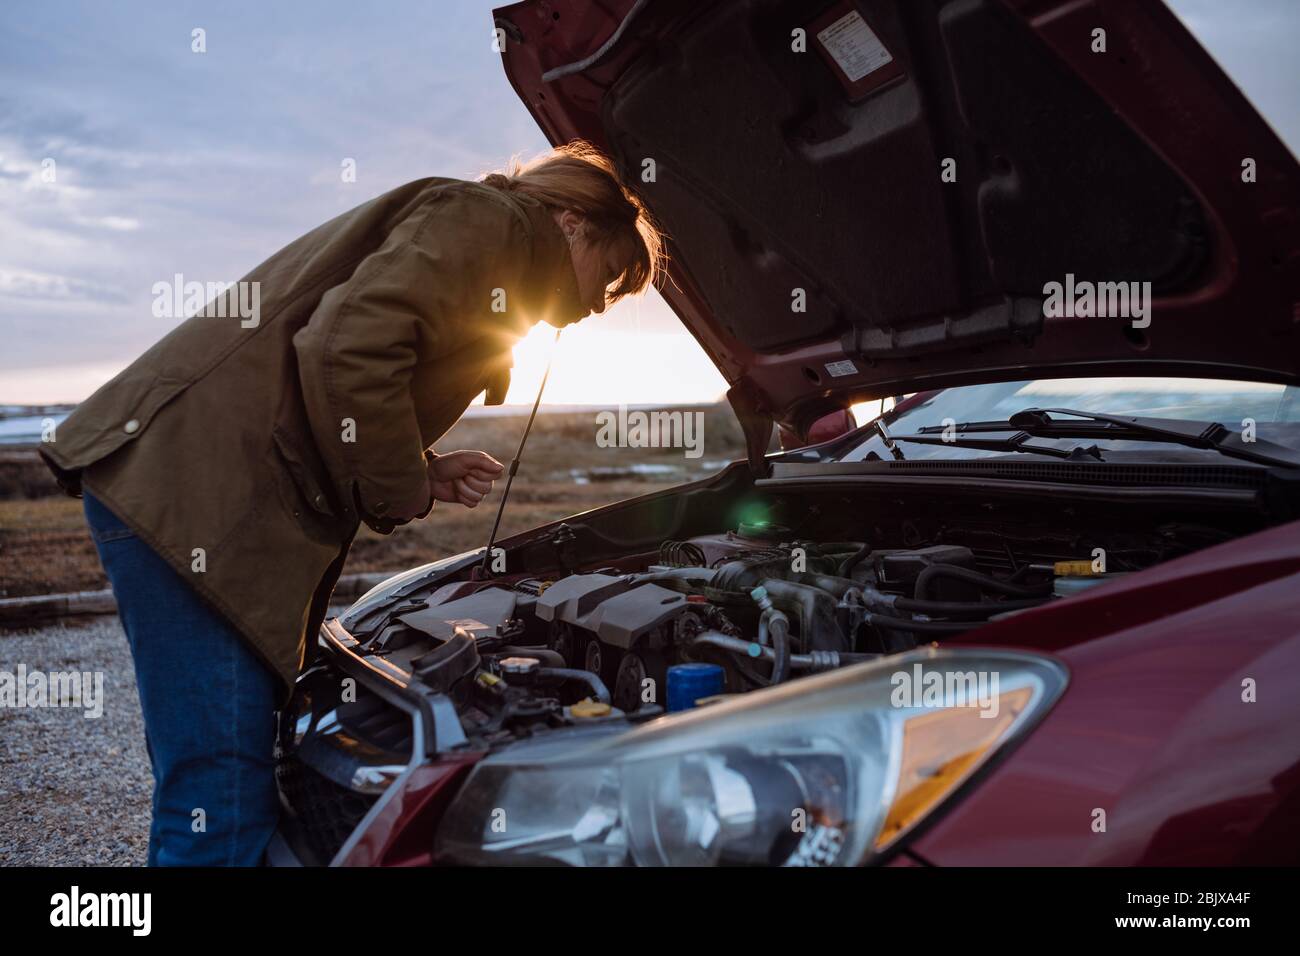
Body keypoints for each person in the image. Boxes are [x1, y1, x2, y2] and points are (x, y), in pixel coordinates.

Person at [39, 141, 664, 865]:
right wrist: (402, 486)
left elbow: (348, 377)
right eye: (612, 277)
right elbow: (348, 346)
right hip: (193, 502)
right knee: (224, 799)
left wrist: (420, 469)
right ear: (574, 222)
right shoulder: (491, 223)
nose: (598, 305)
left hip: (189, 494)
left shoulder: (490, 237)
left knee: (221, 779)